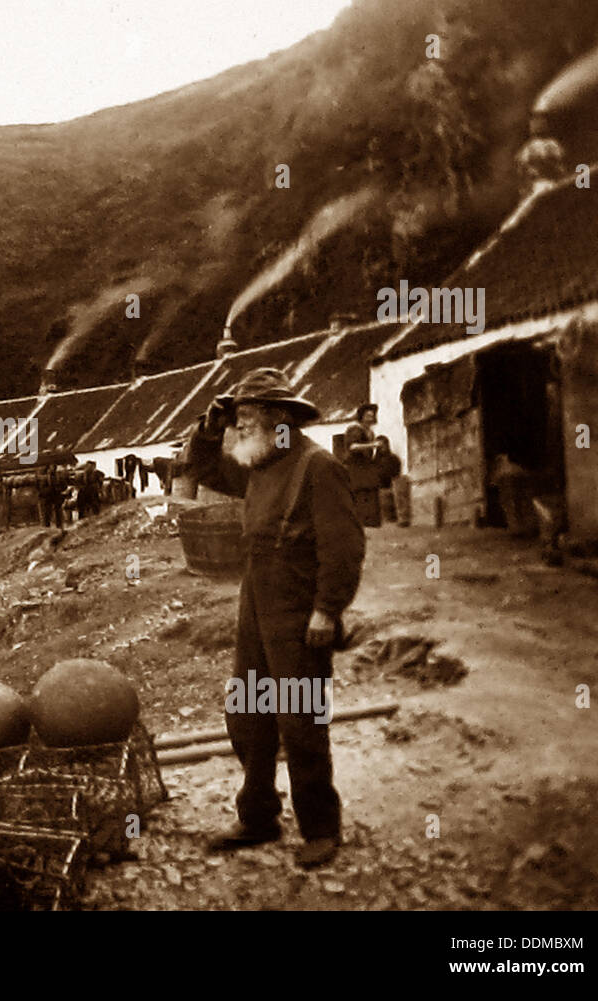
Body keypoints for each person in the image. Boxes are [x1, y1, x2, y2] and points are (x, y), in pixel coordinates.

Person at [186, 367, 366, 868]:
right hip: (256, 596)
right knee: (246, 711)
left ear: (278, 419)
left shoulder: (318, 467)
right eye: (238, 419)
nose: (239, 429)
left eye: (246, 418)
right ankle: (258, 816)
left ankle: (320, 827)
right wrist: (210, 426)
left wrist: (328, 609)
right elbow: (204, 470)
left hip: (298, 603)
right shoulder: (258, 464)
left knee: (300, 716)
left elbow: (345, 547)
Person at [344, 403, 381, 527]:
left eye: (372, 416)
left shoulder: (369, 431)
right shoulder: (355, 429)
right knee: (360, 492)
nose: (370, 418)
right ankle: (359, 522)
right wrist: (372, 445)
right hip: (356, 466)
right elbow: (352, 446)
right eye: (368, 416)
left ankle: (369, 522)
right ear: (362, 417)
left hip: (366, 466)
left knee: (370, 490)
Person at [373, 436, 403, 524]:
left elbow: (397, 472)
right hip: (381, 489)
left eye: (384, 445)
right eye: (380, 446)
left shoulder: (394, 458)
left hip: (393, 486)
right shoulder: (374, 461)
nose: (382, 448)